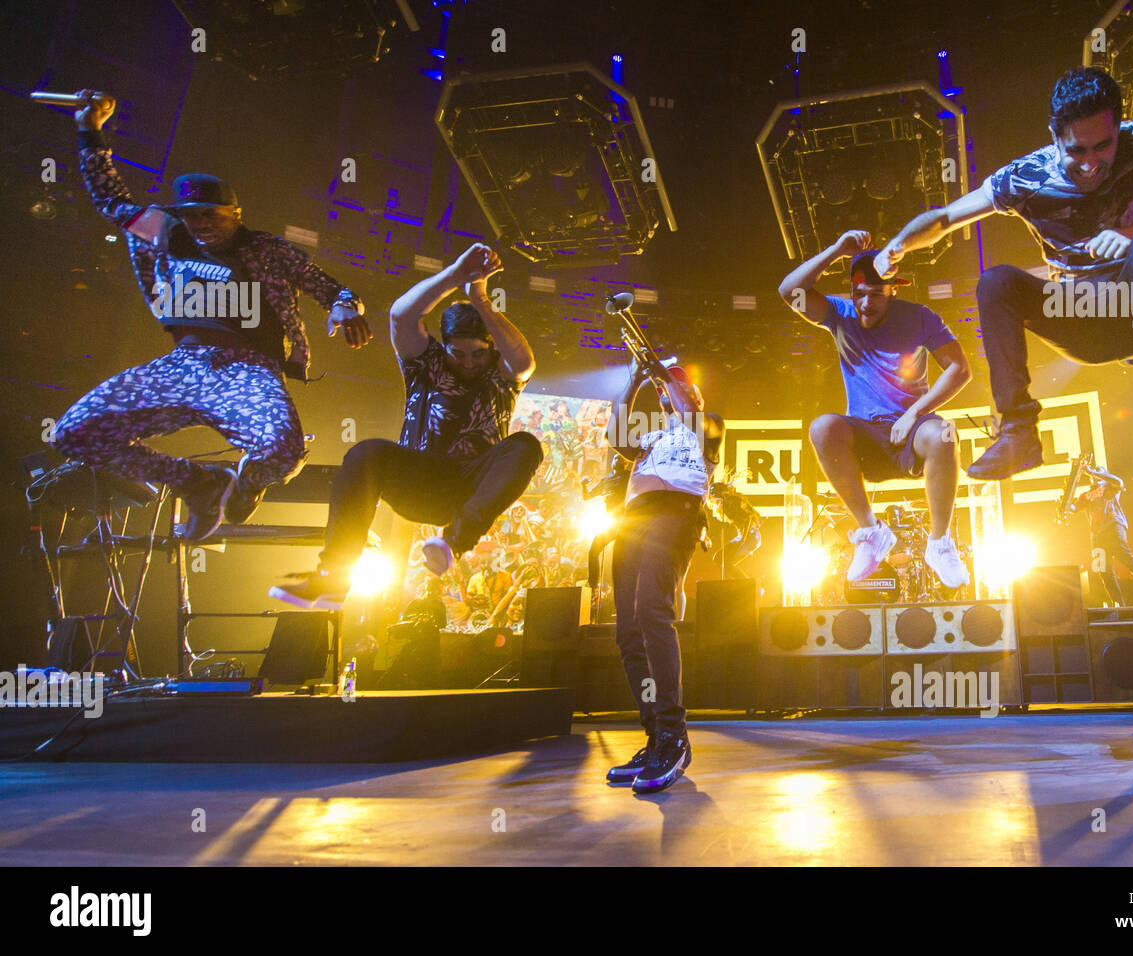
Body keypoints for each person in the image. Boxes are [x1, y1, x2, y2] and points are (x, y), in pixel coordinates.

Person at [52, 89, 371, 540]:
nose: (201, 224)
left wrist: (346, 306)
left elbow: (328, 286)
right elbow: (111, 200)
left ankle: (246, 483)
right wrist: (90, 130)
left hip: (247, 369)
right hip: (184, 365)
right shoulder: (166, 234)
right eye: (192, 216)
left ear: (235, 214)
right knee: (73, 433)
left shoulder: (264, 248)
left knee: (282, 453)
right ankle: (197, 484)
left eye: (212, 216)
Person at [874, 66, 1133, 479]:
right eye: (1076, 150)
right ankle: (1018, 434)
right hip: (1076, 311)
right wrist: (897, 245)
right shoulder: (1026, 177)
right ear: (1055, 138)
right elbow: (946, 217)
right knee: (997, 281)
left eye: (1102, 147)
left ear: (1119, 128)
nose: (1091, 164)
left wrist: (1131, 233)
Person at [269, 243, 542, 609]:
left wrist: (480, 298)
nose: (468, 362)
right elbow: (400, 316)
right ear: (443, 347)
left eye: (478, 353)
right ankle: (333, 576)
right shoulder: (424, 362)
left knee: (525, 444)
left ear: (490, 348)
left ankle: (452, 544)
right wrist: (456, 275)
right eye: (457, 353)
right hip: (421, 480)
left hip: (471, 485)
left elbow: (523, 360)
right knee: (366, 452)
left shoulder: (501, 372)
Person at [778, 230, 973, 587]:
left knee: (944, 432)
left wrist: (912, 414)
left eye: (877, 294)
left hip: (911, 433)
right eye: (859, 294)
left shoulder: (919, 317)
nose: (866, 303)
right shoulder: (840, 314)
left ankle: (940, 543)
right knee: (822, 427)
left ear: (894, 288)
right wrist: (837, 250)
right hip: (865, 435)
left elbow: (961, 370)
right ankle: (871, 532)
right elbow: (788, 291)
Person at [605, 358, 723, 794]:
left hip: (677, 511)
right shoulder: (653, 436)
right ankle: (655, 734)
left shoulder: (708, 424)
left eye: (684, 390)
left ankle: (674, 734)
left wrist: (670, 377)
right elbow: (615, 434)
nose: (673, 395)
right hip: (635, 518)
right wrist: (634, 380)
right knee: (628, 629)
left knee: (653, 610)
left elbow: (691, 414)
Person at [1071, 464, 1133, 607]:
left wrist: (1093, 472)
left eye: (1099, 470)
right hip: (1096, 535)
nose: (1095, 473)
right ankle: (1118, 603)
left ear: (1106, 474)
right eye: (1093, 472)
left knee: (1125, 556)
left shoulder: (1110, 486)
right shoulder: (1085, 495)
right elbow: (1074, 508)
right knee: (1103, 570)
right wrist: (1066, 505)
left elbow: (1119, 482)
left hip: (1113, 526)